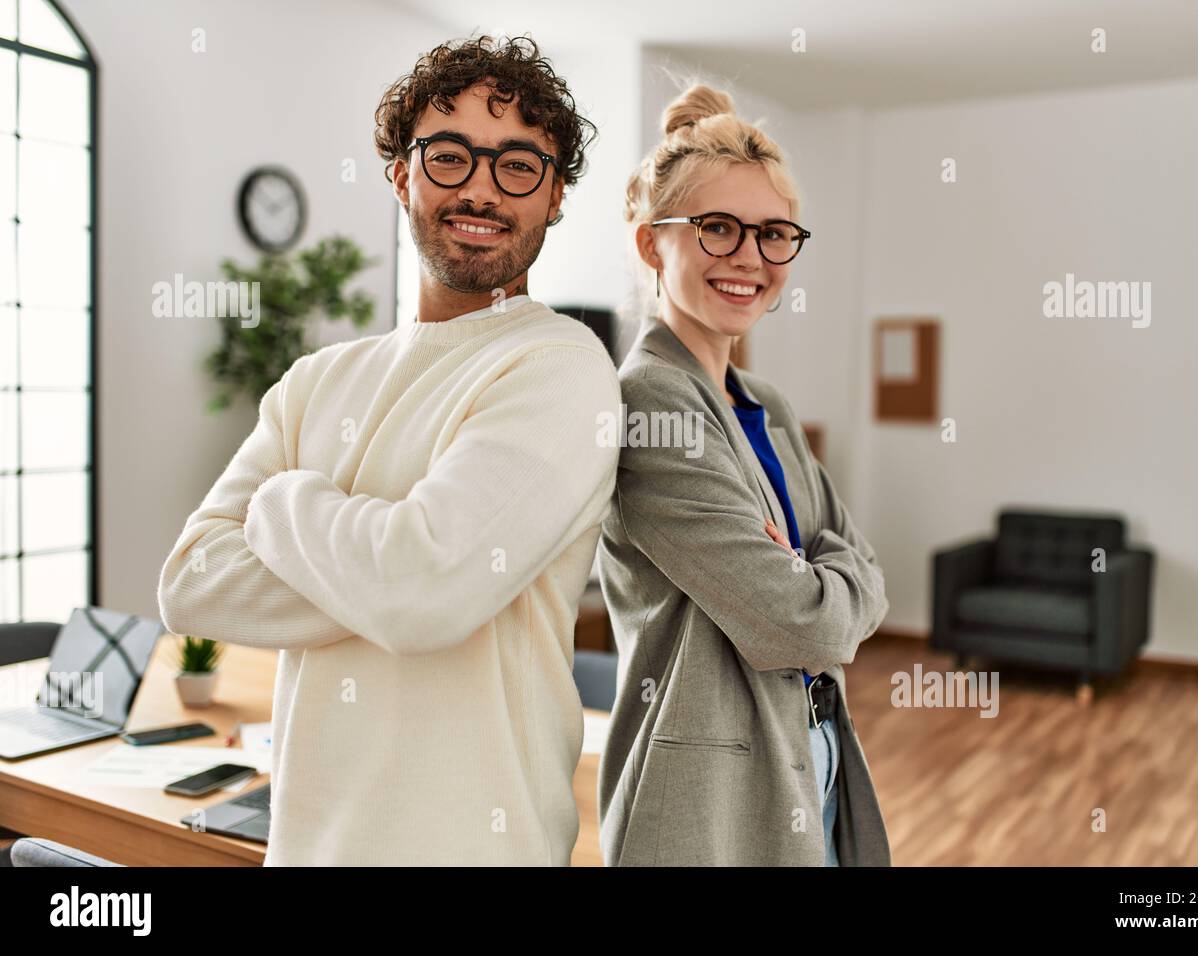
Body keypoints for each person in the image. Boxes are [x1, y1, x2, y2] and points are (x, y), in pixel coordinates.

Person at [157, 36, 620, 866]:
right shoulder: (314, 380)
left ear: (554, 198)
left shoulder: (561, 368)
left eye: (519, 164)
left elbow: (421, 593)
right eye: (450, 157)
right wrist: (401, 568)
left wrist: (282, 502)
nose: (481, 187)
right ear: (401, 175)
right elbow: (191, 583)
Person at [596, 83, 891, 866]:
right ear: (651, 243)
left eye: (773, 234)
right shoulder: (649, 401)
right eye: (717, 229)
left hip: (813, 755)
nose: (750, 260)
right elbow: (802, 625)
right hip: (706, 797)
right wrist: (820, 579)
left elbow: (868, 574)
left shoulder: (767, 405)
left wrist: (815, 574)